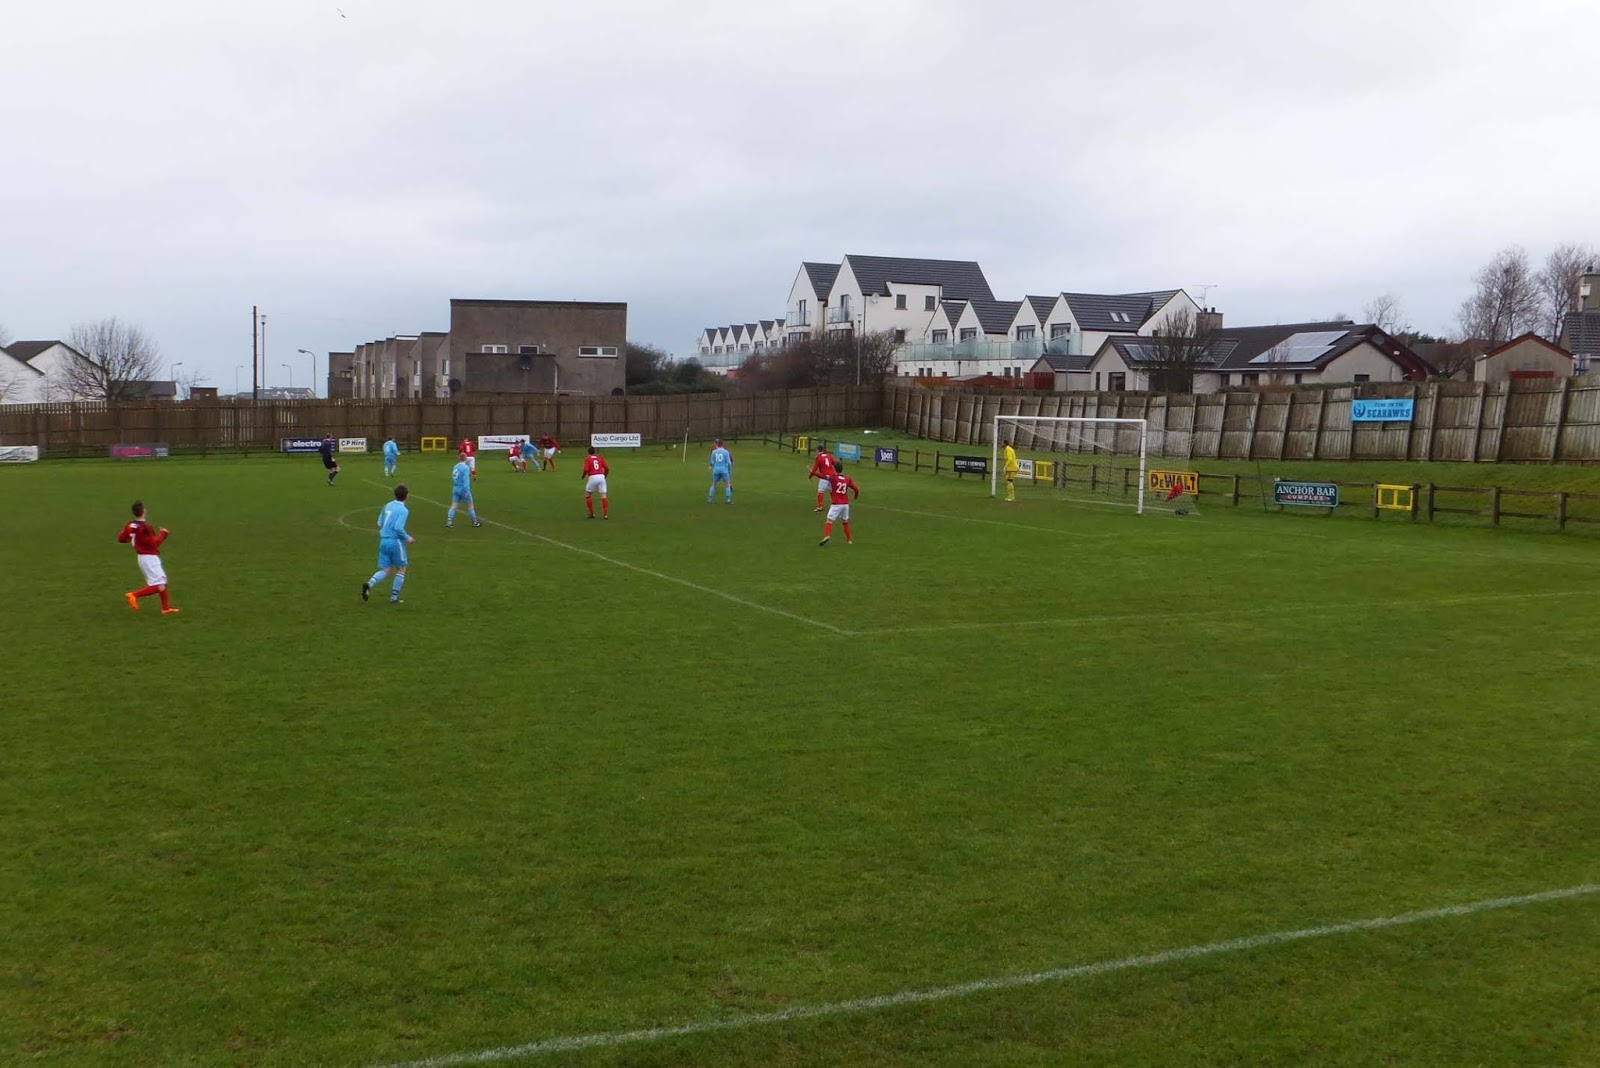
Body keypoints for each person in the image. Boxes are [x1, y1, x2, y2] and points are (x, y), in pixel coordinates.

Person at [118, 499, 179, 614]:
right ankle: (134, 595)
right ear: (143, 511)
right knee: (160, 585)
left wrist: (135, 540)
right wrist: (164, 534)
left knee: (162, 581)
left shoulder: (130, 525)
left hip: (142, 557)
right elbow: (154, 544)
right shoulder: (145, 528)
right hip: (149, 558)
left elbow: (121, 539)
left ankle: (166, 608)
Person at [362, 484, 415, 604]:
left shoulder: (388, 505)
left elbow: (379, 522)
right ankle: (394, 597)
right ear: (406, 496)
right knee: (402, 569)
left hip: (383, 541)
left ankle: (369, 584)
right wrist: (408, 538)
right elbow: (398, 528)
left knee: (386, 570)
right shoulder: (403, 510)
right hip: (395, 542)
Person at [819, 463, 860, 546]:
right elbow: (856, 489)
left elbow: (823, 476)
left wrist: (813, 472)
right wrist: (855, 496)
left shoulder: (833, 478)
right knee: (845, 521)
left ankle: (827, 536)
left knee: (829, 521)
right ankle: (849, 540)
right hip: (845, 504)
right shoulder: (847, 479)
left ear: (835, 469)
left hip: (836, 504)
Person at [447, 454, 482, 528]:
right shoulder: (466, 468)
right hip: (463, 489)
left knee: (454, 506)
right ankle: (474, 522)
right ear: (465, 458)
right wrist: (466, 491)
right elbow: (466, 480)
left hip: (456, 488)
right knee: (470, 506)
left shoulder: (455, 466)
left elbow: (454, 477)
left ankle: (449, 522)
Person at [807, 442, 837, 511]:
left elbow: (814, 470)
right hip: (832, 476)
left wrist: (810, 477)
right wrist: (837, 473)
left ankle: (820, 506)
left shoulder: (819, 458)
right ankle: (835, 503)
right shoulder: (829, 455)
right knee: (831, 490)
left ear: (817, 450)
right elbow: (835, 464)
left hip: (824, 476)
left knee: (821, 491)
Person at [583, 446, 610, 519]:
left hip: (593, 477)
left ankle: (592, 513)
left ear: (588, 452)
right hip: (601, 477)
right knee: (603, 495)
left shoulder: (587, 459)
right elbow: (607, 468)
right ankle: (605, 514)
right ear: (595, 452)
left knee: (588, 494)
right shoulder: (600, 458)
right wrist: (605, 476)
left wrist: (583, 476)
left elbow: (586, 469)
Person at [708, 439, 734, 504]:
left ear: (717, 444)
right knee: (727, 485)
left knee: (714, 484)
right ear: (722, 444)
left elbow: (712, 462)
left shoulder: (714, 452)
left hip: (716, 470)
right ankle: (728, 500)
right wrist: (729, 471)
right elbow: (729, 463)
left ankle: (710, 499)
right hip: (724, 470)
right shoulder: (726, 452)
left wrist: (711, 466)